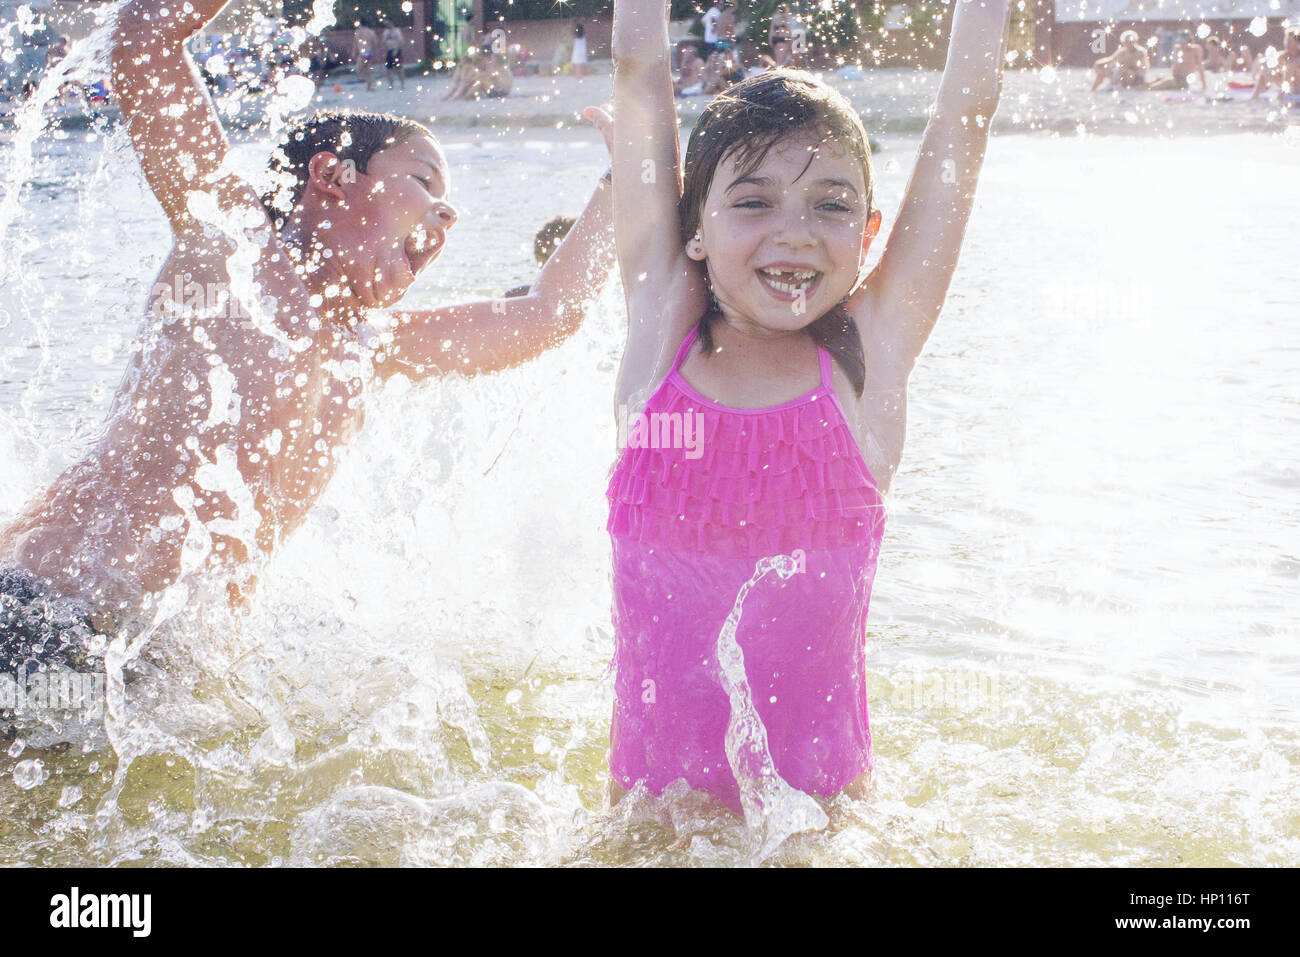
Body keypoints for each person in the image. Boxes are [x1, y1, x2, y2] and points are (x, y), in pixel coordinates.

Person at [0, 0, 615, 721]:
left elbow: (550, 313)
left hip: (163, 673)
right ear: (330, 175)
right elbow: (144, 41)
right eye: (424, 181)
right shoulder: (231, 248)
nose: (447, 215)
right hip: (45, 614)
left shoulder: (372, 345)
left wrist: (629, 170)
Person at [605, 0, 1011, 811]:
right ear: (692, 229)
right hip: (647, 835)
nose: (795, 232)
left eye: (830, 205)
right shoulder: (661, 346)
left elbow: (965, 111)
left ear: (870, 233)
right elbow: (638, 73)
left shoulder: (867, 364)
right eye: (753, 201)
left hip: (824, 833)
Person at [505, 215, 579, 297]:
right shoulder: (524, 295)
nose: (566, 268)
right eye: (556, 262)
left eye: (571, 258)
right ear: (542, 264)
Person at [1251, 30, 1300, 101]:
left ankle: (1280, 96)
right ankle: (1254, 96)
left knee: (1290, 67)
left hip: (1297, 87)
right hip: (1290, 86)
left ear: (1297, 43)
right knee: (1267, 68)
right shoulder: (1284, 55)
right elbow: (1264, 62)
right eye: (1286, 40)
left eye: (1290, 41)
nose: (1286, 43)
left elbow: (1292, 65)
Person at [352, 17, 379, 91]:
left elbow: (355, 43)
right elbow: (375, 42)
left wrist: (354, 52)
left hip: (363, 53)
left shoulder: (358, 32)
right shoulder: (371, 31)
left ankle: (369, 83)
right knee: (367, 70)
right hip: (370, 52)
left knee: (358, 70)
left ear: (360, 23)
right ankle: (369, 87)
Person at [769, 4, 795, 68]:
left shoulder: (775, 17)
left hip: (776, 38)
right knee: (782, 60)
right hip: (783, 39)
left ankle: (778, 69)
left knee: (779, 59)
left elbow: (772, 30)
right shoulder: (786, 18)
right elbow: (789, 31)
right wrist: (791, 42)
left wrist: (770, 40)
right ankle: (779, 72)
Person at [382, 19, 405, 90]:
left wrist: (397, 49)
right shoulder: (386, 32)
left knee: (399, 68)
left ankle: (402, 84)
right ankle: (391, 84)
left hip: (396, 50)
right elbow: (384, 42)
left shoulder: (397, 31)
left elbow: (401, 41)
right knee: (388, 69)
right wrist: (384, 51)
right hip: (390, 50)